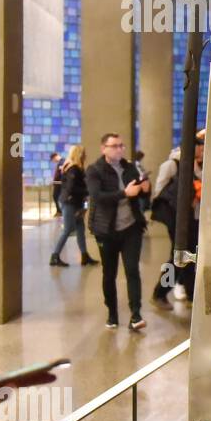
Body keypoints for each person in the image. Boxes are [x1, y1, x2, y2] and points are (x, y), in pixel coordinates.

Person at [86, 133, 150, 331]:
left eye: (121, 146)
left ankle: (136, 315)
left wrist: (145, 188)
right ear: (103, 148)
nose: (119, 149)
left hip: (131, 227)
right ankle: (112, 313)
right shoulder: (95, 170)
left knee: (132, 270)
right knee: (109, 273)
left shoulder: (129, 167)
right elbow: (97, 196)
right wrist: (124, 193)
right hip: (106, 230)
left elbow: (138, 193)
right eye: (114, 146)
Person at [150, 132, 203, 304]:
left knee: (190, 255)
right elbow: (159, 192)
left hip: (194, 218)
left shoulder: (198, 165)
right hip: (176, 218)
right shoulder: (172, 164)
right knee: (178, 255)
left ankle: (190, 293)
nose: (202, 152)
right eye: (200, 148)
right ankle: (161, 291)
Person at [49, 145, 97, 268]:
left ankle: (84, 255)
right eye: (84, 153)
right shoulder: (73, 169)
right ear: (79, 154)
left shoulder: (73, 167)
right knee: (68, 229)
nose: (86, 156)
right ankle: (55, 256)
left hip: (75, 202)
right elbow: (71, 188)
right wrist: (87, 190)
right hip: (70, 203)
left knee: (80, 228)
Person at [50, 153, 63, 217]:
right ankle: (59, 210)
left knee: (56, 196)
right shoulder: (60, 162)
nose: (54, 161)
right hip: (57, 183)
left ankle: (60, 211)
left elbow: (61, 174)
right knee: (56, 197)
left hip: (60, 184)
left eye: (53, 160)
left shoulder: (62, 162)